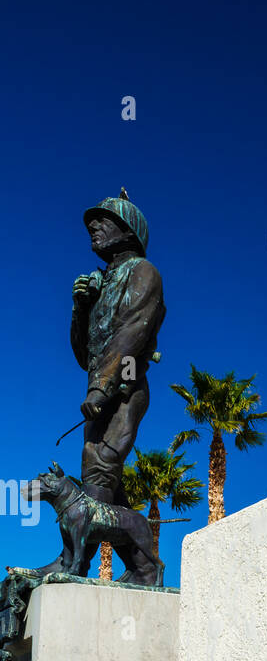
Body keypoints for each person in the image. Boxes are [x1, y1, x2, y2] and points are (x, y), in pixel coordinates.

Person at [70, 189, 166, 503]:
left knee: (98, 468)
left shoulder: (143, 271)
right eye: (91, 223)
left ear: (128, 231)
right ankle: (144, 554)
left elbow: (132, 332)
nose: (93, 226)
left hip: (125, 387)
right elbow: (85, 356)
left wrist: (100, 388)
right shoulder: (100, 284)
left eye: (103, 220)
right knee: (106, 490)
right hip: (100, 396)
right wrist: (81, 307)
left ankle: (75, 555)